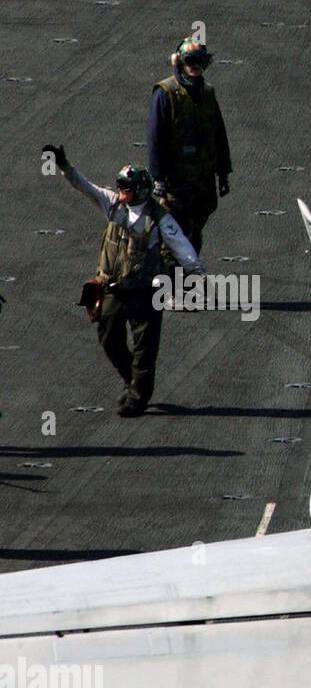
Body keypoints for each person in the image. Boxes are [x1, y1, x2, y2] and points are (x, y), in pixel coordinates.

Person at [41, 144, 205, 417]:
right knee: (108, 337)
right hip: (113, 287)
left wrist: (197, 276)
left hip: (145, 290)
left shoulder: (159, 218)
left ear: (139, 190)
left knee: (145, 348)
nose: (120, 191)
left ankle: (137, 399)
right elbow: (86, 187)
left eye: (126, 187)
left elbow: (181, 247)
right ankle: (132, 381)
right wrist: (65, 166)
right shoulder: (112, 204)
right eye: (120, 186)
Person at [147, 37, 232, 255]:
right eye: (189, 60)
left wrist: (223, 172)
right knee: (175, 234)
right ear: (179, 62)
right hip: (177, 183)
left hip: (203, 183)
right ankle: (172, 279)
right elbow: (156, 138)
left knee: (194, 233)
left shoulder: (208, 93)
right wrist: (158, 177)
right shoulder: (165, 93)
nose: (194, 66)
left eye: (199, 61)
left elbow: (219, 133)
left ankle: (187, 280)